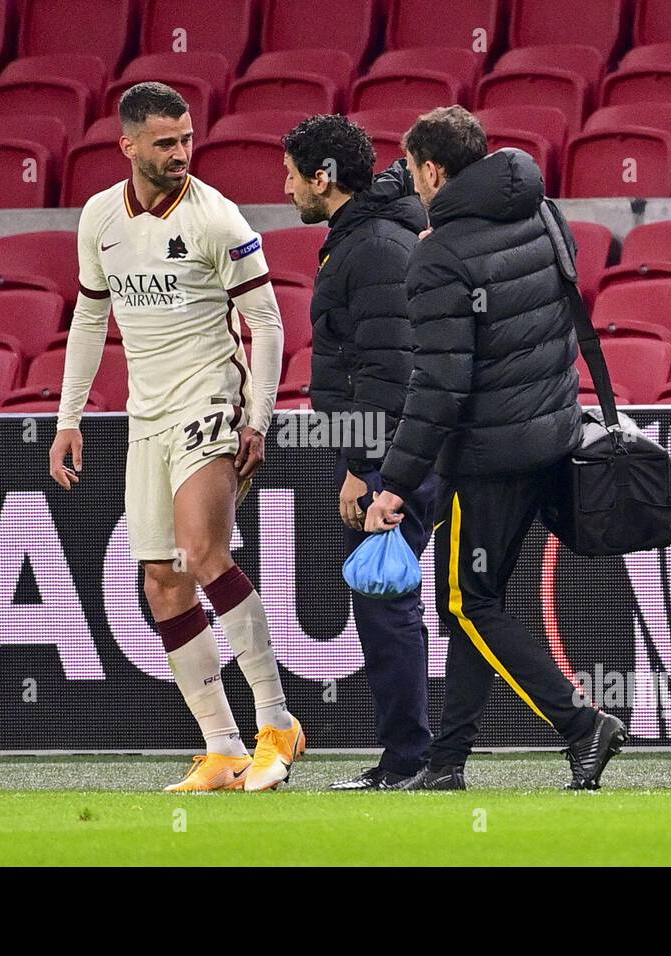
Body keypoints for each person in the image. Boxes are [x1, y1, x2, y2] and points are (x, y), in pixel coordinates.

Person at [49, 82, 304, 792]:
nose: (181, 153)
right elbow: (90, 320)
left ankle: (277, 722)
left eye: (187, 139)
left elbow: (269, 322)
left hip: (210, 398)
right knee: (162, 581)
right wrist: (69, 418)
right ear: (127, 144)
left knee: (202, 552)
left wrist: (258, 416)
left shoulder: (217, 217)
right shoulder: (100, 217)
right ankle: (221, 748)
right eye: (165, 142)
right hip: (145, 416)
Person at [365, 107, 628, 791]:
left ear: (431, 169)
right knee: (479, 601)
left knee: (463, 605)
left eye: (413, 171)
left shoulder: (439, 256)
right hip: (552, 436)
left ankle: (581, 724)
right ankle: (448, 762)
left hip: (488, 457)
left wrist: (393, 482)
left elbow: (439, 388)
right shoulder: (544, 212)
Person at [282, 114, 438, 790]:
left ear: (324, 177)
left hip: (395, 456)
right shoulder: (361, 238)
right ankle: (418, 757)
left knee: (385, 599)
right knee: (395, 596)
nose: (284, 188)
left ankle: (410, 760)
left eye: (291, 174)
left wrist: (360, 470)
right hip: (397, 450)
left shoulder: (371, 246)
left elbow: (387, 373)